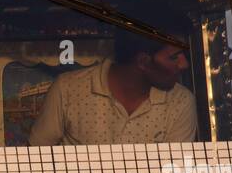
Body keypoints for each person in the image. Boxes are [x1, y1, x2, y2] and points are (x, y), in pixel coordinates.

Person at [29, 27, 197, 146]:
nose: (184, 64)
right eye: (174, 57)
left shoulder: (181, 102)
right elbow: (35, 158)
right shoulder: (67, 89)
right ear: (143, 61)